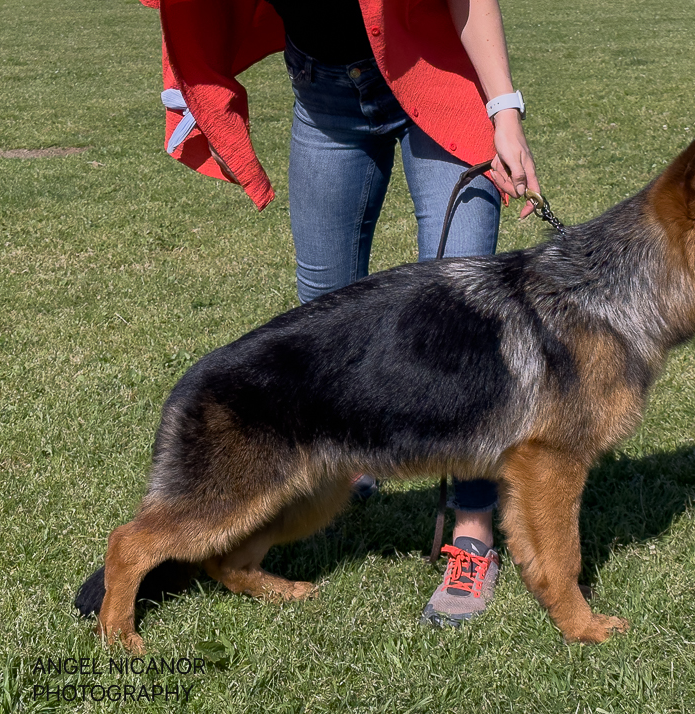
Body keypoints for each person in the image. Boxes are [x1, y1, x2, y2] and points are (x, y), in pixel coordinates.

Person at [149, 0, 538, 628]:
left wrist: (505, 113)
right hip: (326, 94)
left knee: (462, 328)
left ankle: (471, 530)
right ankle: (349, 465)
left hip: (437, 77)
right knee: (321, 320)